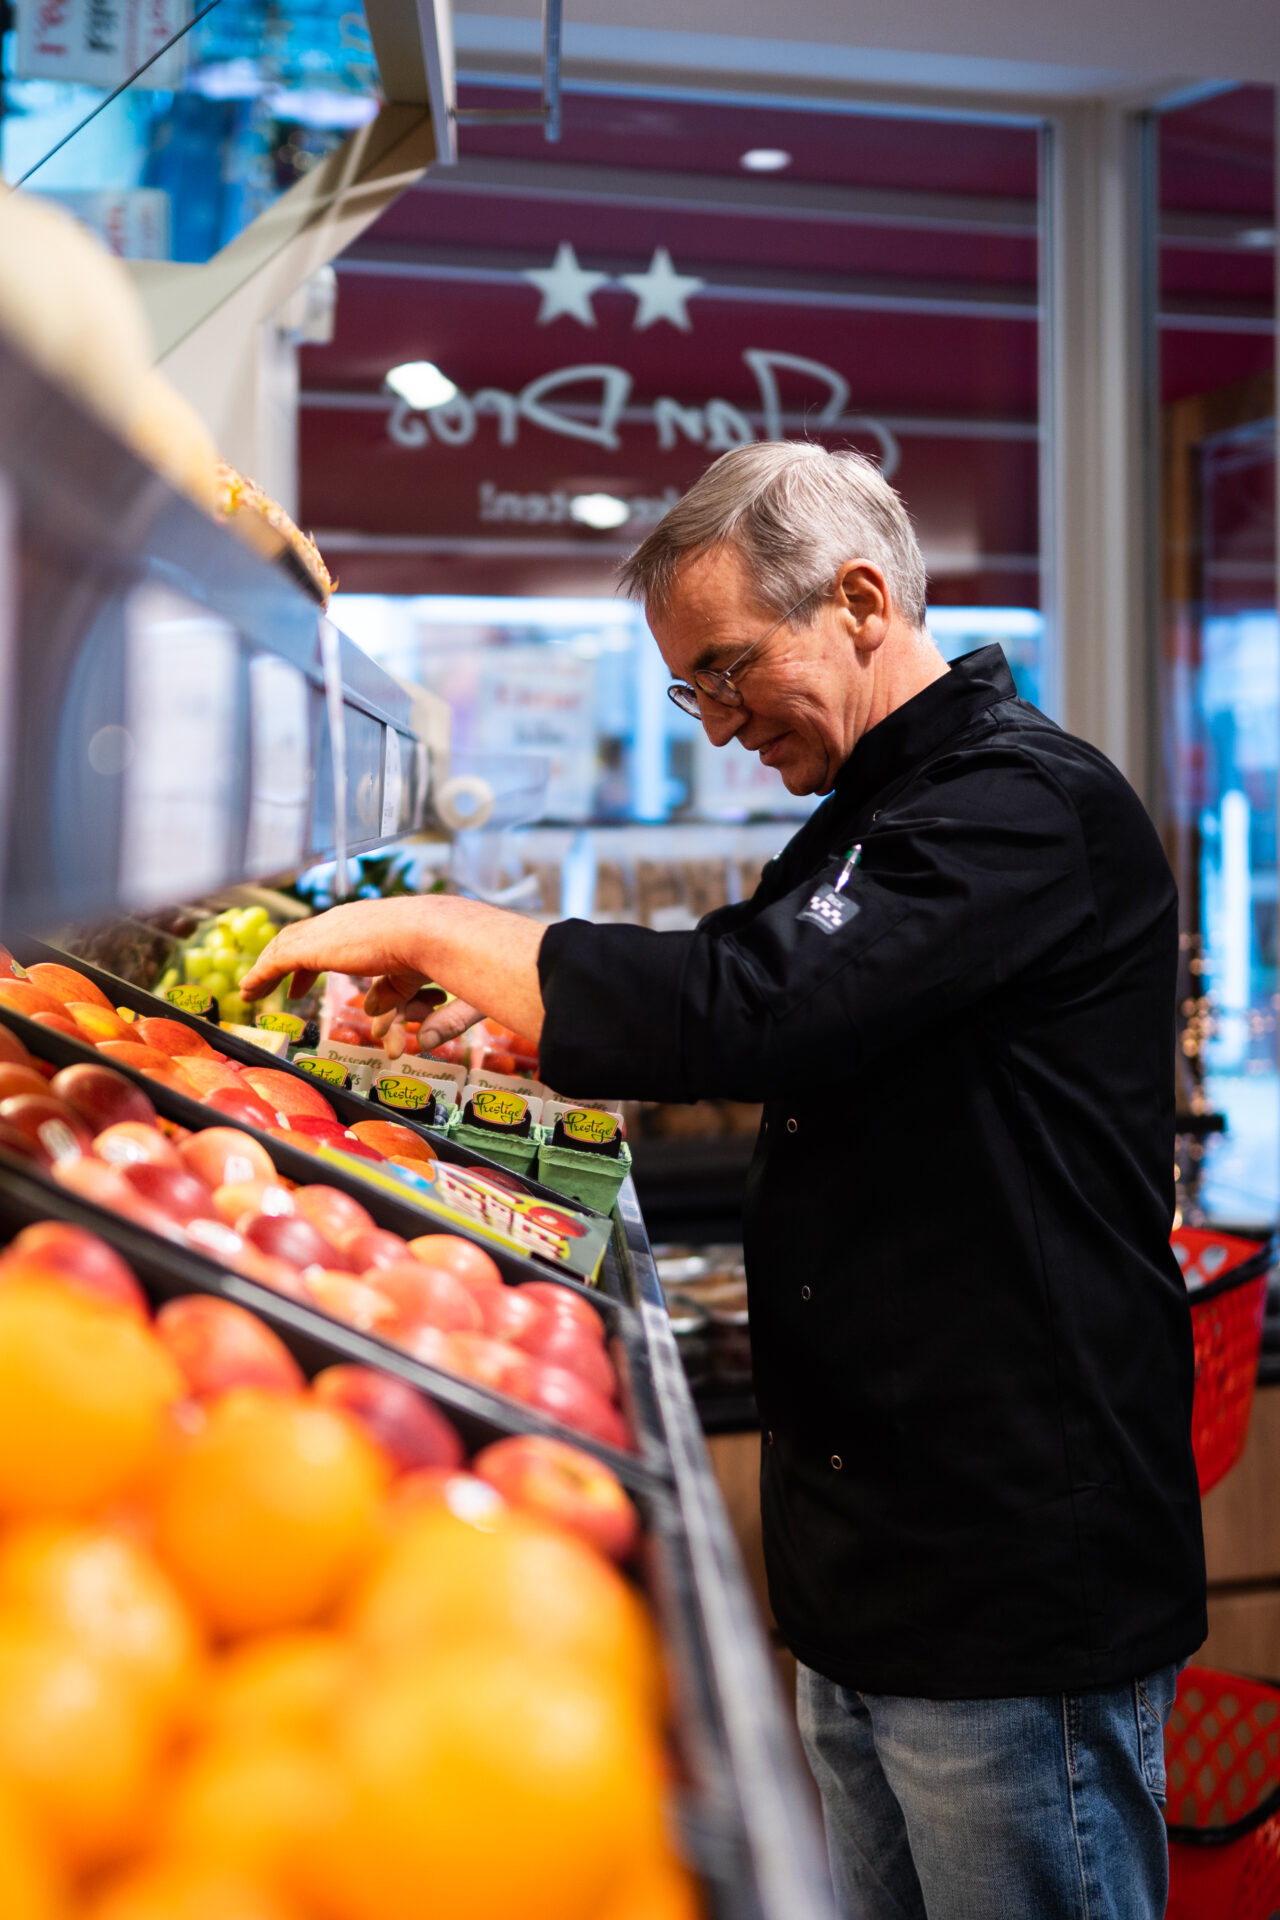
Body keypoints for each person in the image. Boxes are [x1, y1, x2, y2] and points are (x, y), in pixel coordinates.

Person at [241, 442, 1206, 1920]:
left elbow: (757, 1008)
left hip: (1015, 1575)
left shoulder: (1023, 808)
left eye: (728, 669)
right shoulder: (872, 822)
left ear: (863, 601)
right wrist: (518, 1014)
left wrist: (444, 927)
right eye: (690, 687)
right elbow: (794, 1015)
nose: (715, 721)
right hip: (873, 1569)